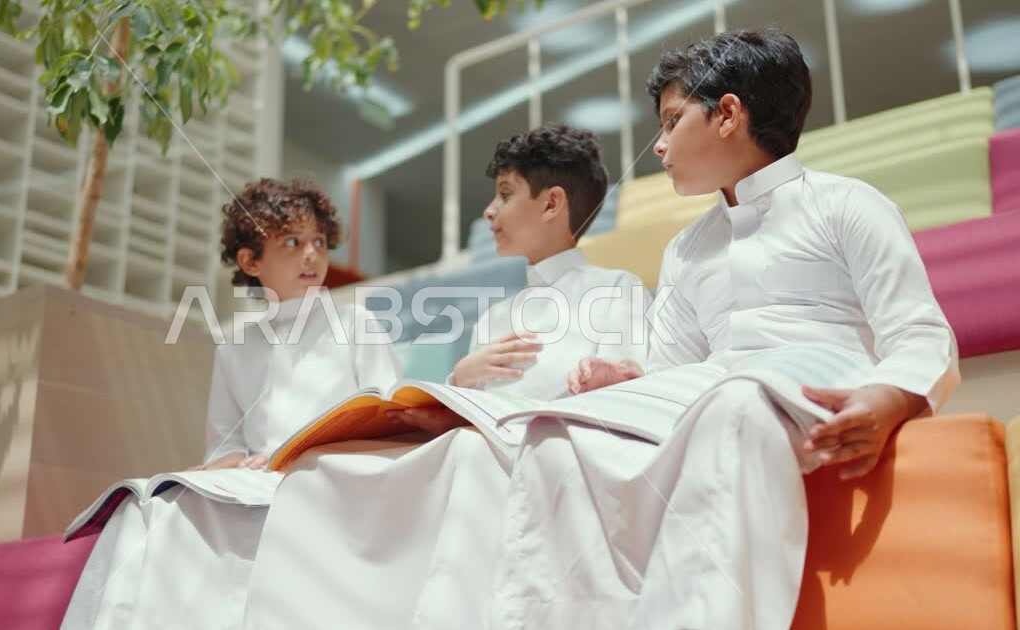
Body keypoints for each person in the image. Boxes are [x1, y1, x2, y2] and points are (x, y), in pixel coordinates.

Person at [489, 28, 959, 630]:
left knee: (731, 402)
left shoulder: (848, 204)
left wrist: (889, 397)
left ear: (728, 114)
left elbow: (919, 332)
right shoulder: (687, 247)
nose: (658, 146)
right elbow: (673, 368)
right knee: (555, 432)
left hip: (814, 381)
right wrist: (629, 377)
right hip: (715, 386)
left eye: (671, 121)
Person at [242, 124, 648, 630]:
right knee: (321, 467)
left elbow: (633, 394)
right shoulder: (495, 317)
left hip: (547, 455)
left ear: (552, 204)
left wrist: (605, 376)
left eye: (504, 195)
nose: (489, 211)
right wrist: (458, 379)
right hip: (480, 449)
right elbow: (462, 415)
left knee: (464, 456)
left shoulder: (615, 289)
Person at [60, 178, 401, 629]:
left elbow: (392, 417)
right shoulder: (235, 349)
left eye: (319, 241)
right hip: (259, 486)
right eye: (293, 242)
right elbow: (228, 445)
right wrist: (224, 466)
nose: (312, 255)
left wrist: (302, 455)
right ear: (250, 260)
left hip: (337, 479)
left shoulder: (356, 323)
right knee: (146, 510)